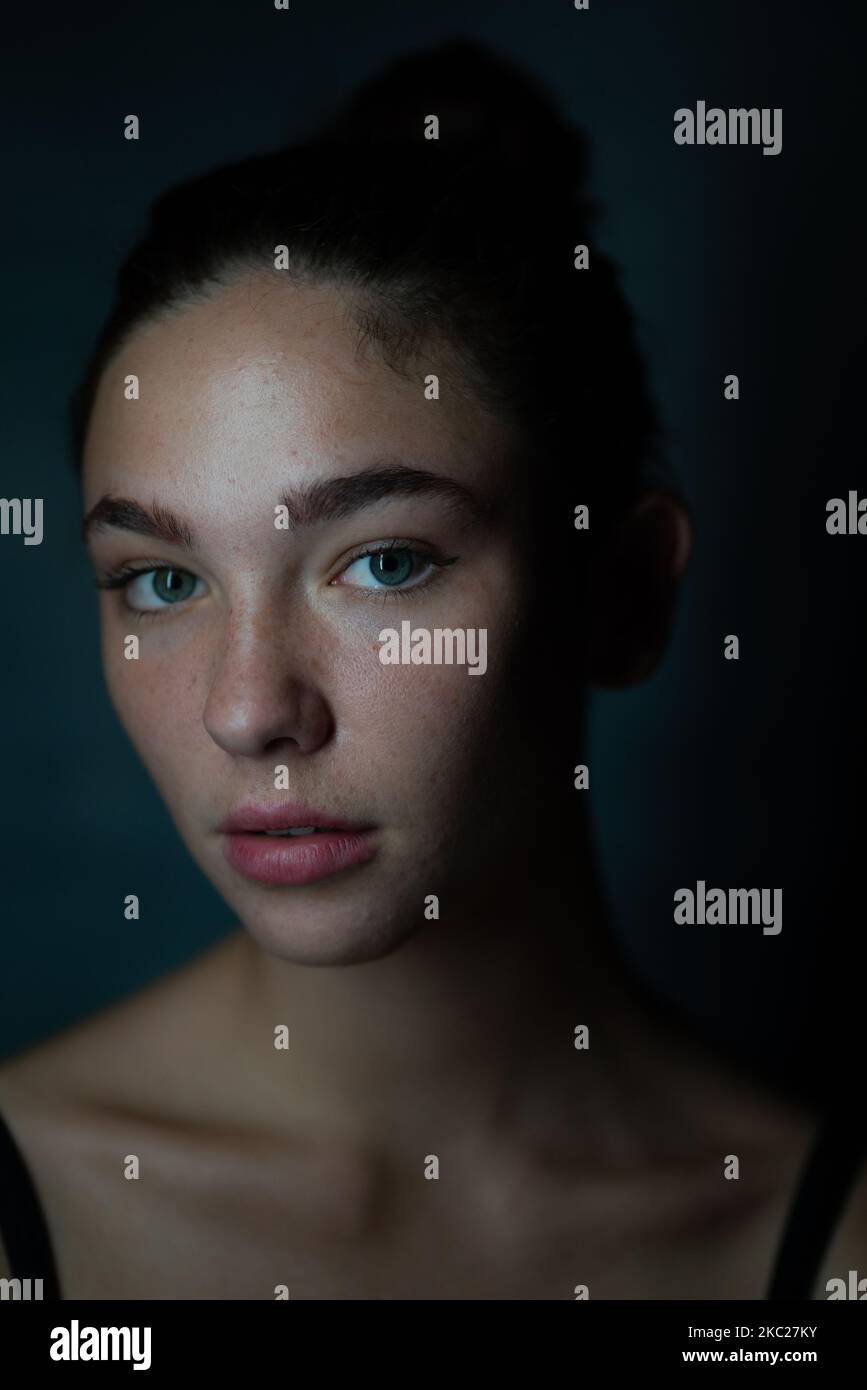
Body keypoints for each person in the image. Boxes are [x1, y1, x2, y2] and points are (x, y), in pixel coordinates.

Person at [1, 39, 863, 1301]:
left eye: (385, 562)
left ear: (620, 595)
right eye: (163, 580)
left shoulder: (827, 1255)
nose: (248, 710)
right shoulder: (29, 1215)